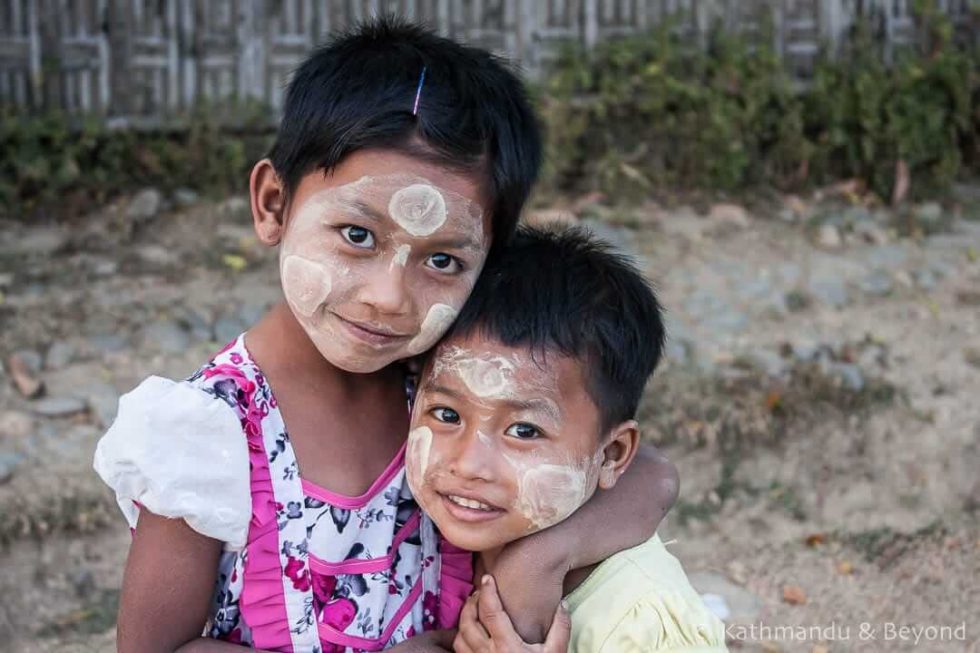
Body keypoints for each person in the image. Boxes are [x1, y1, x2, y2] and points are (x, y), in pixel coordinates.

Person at [94, 18, 678, 653]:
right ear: (272, 204)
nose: (389, 298)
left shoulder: (446, 380)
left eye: (443, 261)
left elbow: (650, 477)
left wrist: (536, 563)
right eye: (357, 235)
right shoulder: (209, 432)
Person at [407, 226, 728, 652]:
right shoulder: (437, 540)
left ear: (611, 455)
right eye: (447, 415)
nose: (467, 464)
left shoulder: (642, 621)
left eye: (524, 431)